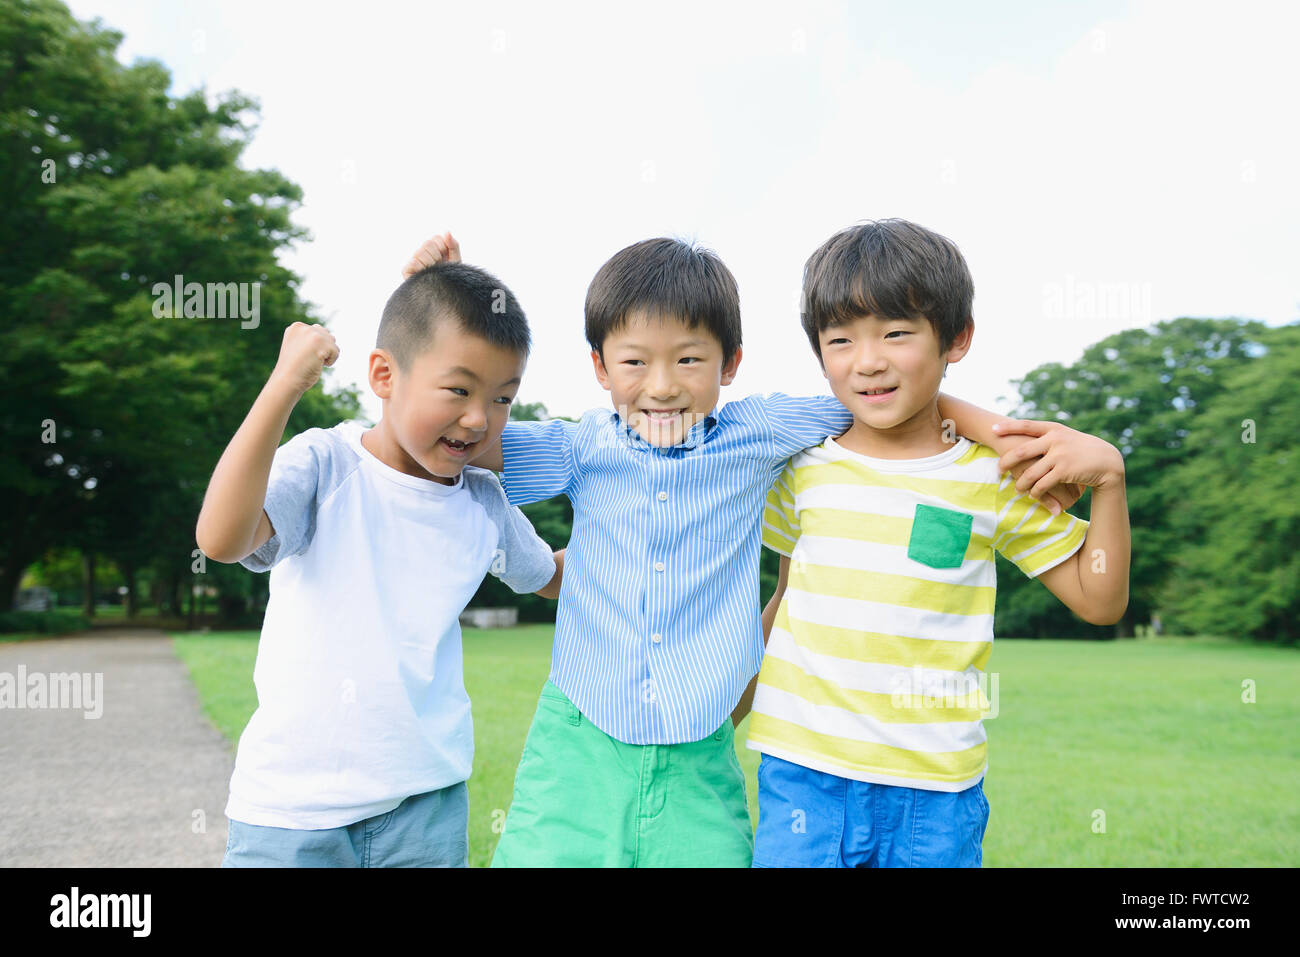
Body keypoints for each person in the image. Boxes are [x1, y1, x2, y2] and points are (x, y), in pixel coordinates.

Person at [400, 231, 1082, 867]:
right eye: (635, 361)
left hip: (703, 746)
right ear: (600, 368)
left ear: (731, 364)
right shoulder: (582, 446)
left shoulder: (760, 432)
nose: (662, 385)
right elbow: (450, 437)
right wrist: (431, 325)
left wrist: (1006, 432)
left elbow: (882, 393)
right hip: (580, 730)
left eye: (689, 360)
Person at [739, 219, 1131, 867]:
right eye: (841, 339)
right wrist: (720, 715)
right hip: (802, 774)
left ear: (957, 339)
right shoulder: (802, 468)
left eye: (897, 333)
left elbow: (1100, 599)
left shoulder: (992, 476)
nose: (868, 360)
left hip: (935, 793)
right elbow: (784, 599)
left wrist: (1111, 479)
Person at [195, 258, 562, 867]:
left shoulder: (483, 502)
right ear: (383, 375)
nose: (479, 418)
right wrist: (284, 383)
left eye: (502, 398)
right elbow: (221, 539)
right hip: (291, 816)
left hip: (425, 810)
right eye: (459, 390)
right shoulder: (326, 466)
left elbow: (551, 575)